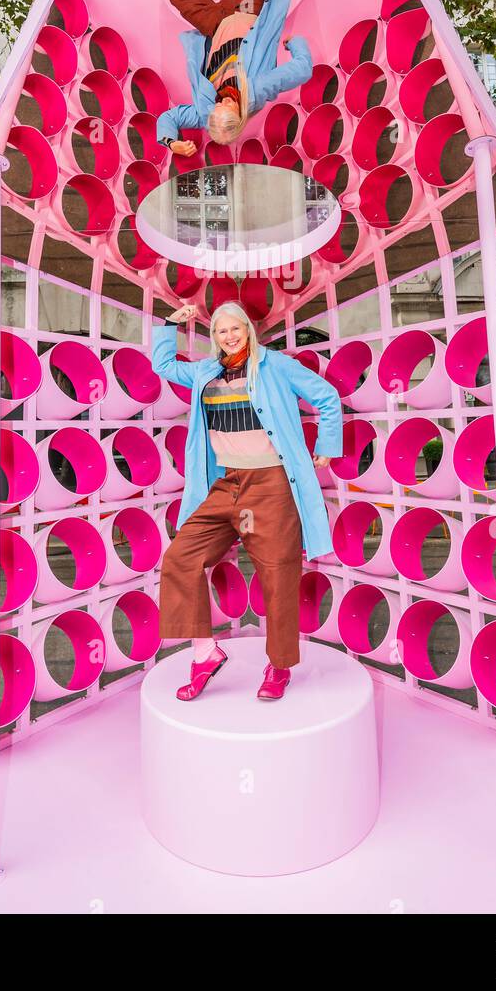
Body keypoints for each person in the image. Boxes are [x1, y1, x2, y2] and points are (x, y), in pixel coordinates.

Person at [151, 300, 342, 701]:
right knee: (180, 559)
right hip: (225, 484)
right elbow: (164, 366)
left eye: (236, 328)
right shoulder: (206, 371)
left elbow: (325, 397)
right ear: (214, 336)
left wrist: (327, 444)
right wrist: (169, 325)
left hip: (270, 485)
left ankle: (279, 665)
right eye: (221, 330)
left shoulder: (275, 366)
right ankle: (205, 654)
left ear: (249, 330)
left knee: (277, 575)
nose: (229, 335)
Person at [157, 0, 313, 153]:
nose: (221, 102)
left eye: (217, 106)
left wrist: (172, 143)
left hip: (217, 25)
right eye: (227, 105)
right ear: (239, 117)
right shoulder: (258, 88)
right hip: (246, 16)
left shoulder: (206, 111)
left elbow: (169, 117)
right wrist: (295, 43)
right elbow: (303, 70)